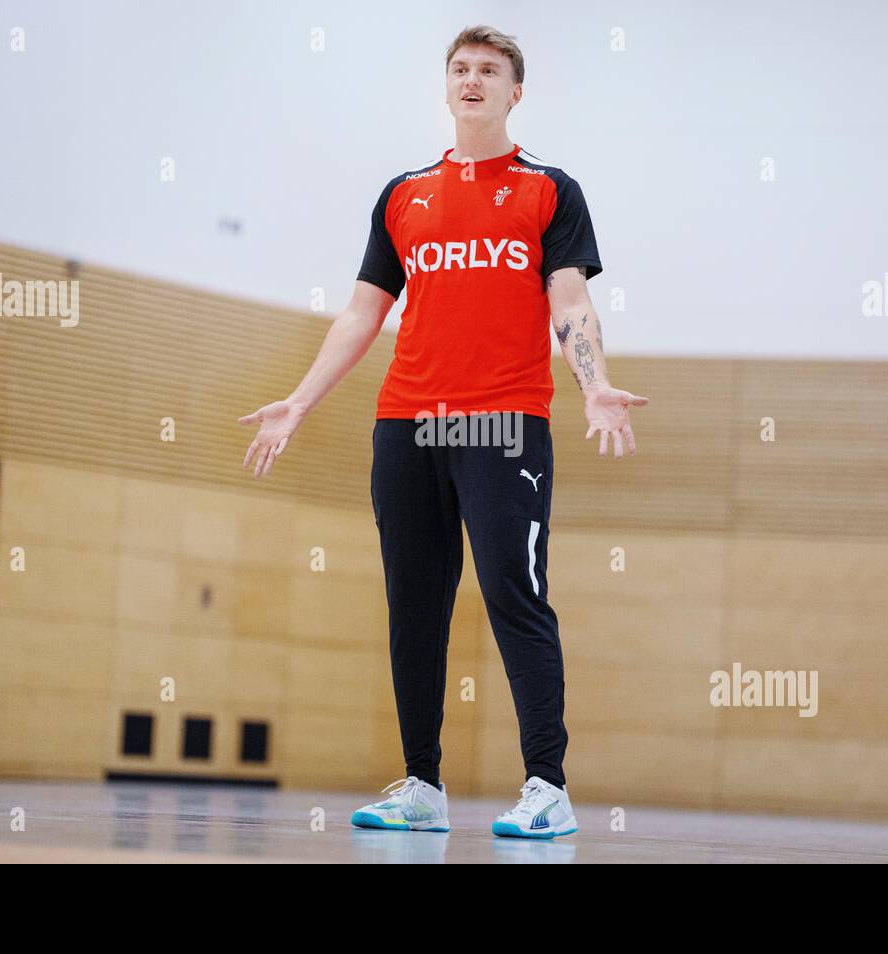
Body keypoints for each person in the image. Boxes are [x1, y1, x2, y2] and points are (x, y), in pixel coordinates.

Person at [240, 25, 648, 838]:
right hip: (406, 424)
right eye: (460, 69)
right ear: (447, 85)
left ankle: (547, 788)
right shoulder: (404, 194)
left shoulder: (549, 190)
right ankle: (421, 786)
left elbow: (569, 299)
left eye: (488, 71)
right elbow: (364, 311)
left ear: (513, 91)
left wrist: (594, 383)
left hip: (505, 423)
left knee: (512, 593)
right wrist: (299, 400)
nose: (472, 81)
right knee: (413, 604)